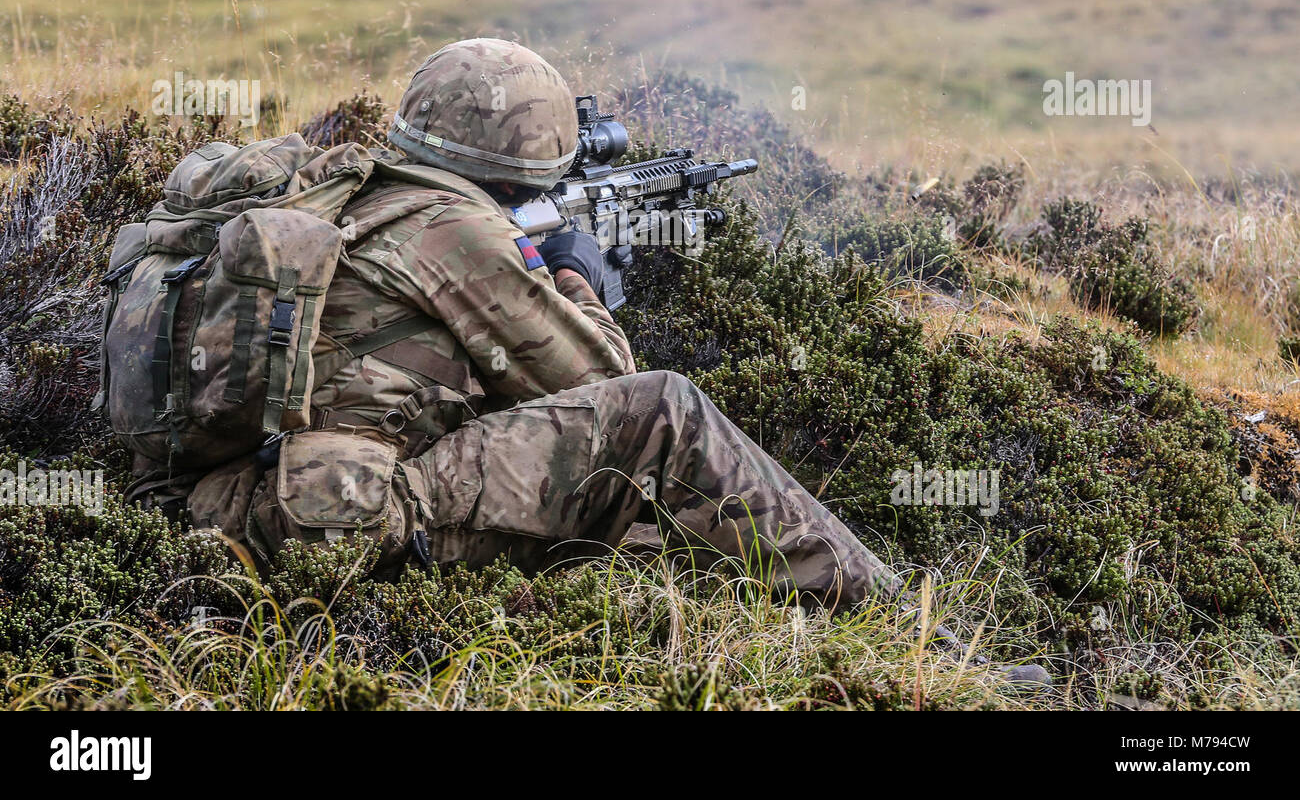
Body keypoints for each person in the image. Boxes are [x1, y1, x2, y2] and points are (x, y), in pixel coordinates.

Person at [168, 38, 896, 611]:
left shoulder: (354, 191)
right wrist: (575, 270)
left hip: (228, 504)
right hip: (342, 522)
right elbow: (613, 393)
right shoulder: (456, 228)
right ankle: (902, 622)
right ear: (521, 170)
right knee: (667, 408)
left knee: (642, 537)